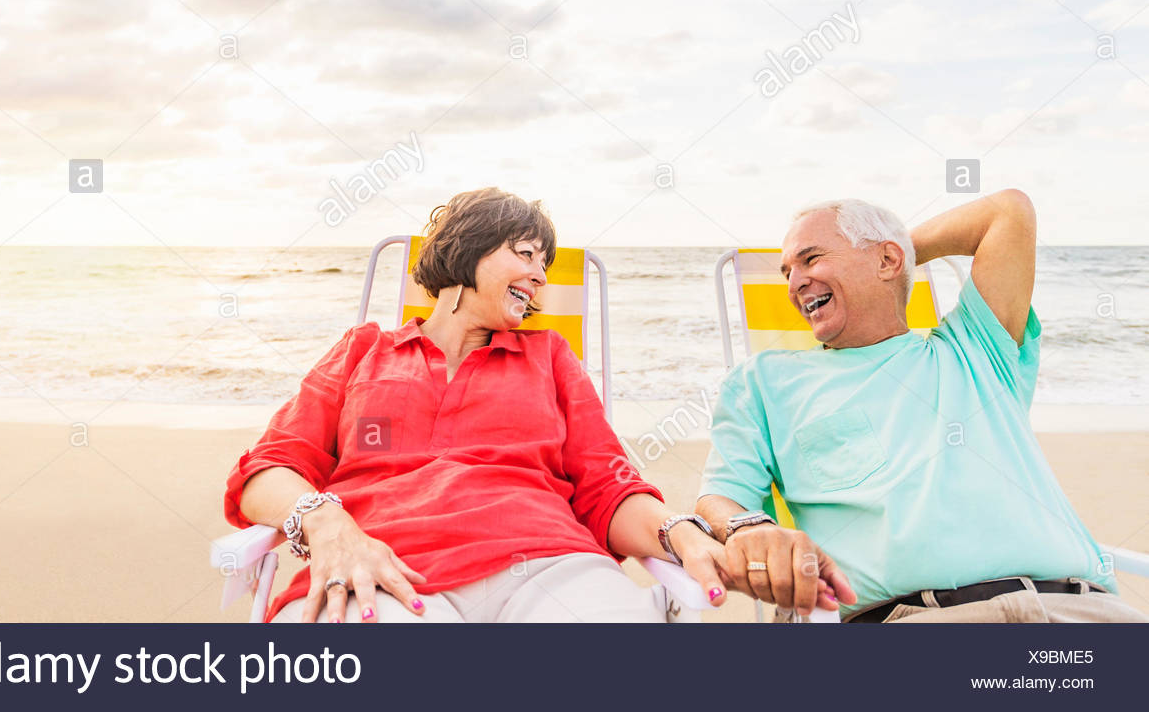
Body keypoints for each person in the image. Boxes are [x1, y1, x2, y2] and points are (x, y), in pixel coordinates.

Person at [226, 188, 776, 622]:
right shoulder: (363, 350)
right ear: (467, 248)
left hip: (549, 565)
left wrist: (675, 531)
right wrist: (327, 526)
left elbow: (606, 485)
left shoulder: (549, 356)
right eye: (526, 254)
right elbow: (269, 469)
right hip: (381, 564)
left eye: (546, 264)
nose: (540, 276)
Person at [696, 190, 1147, 623]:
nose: (794, 283)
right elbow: (720, 497)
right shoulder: (765, 382)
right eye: (786, 272)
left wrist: (896, 254)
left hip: (1084, 613)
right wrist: (751, 531)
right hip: (916, 620)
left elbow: (1008, 212)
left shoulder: (975, 350)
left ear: (889, 259)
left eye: (811, 258)